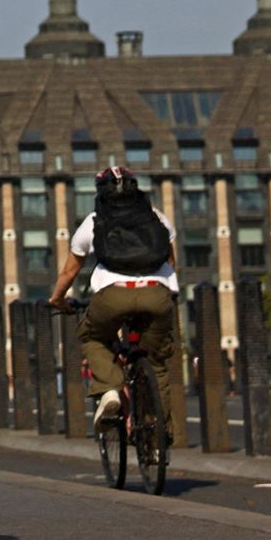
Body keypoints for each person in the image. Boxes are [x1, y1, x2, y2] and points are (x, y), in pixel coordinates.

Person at [48, 165, 185, 445]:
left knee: (92, 335)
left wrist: (57, 300)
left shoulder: (93, 221)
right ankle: (160, 432)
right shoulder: (157, 218)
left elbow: (69, 273)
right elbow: (171, 263)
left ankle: (109, 389)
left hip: (112, 296)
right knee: (156, 361)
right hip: (157, 296)